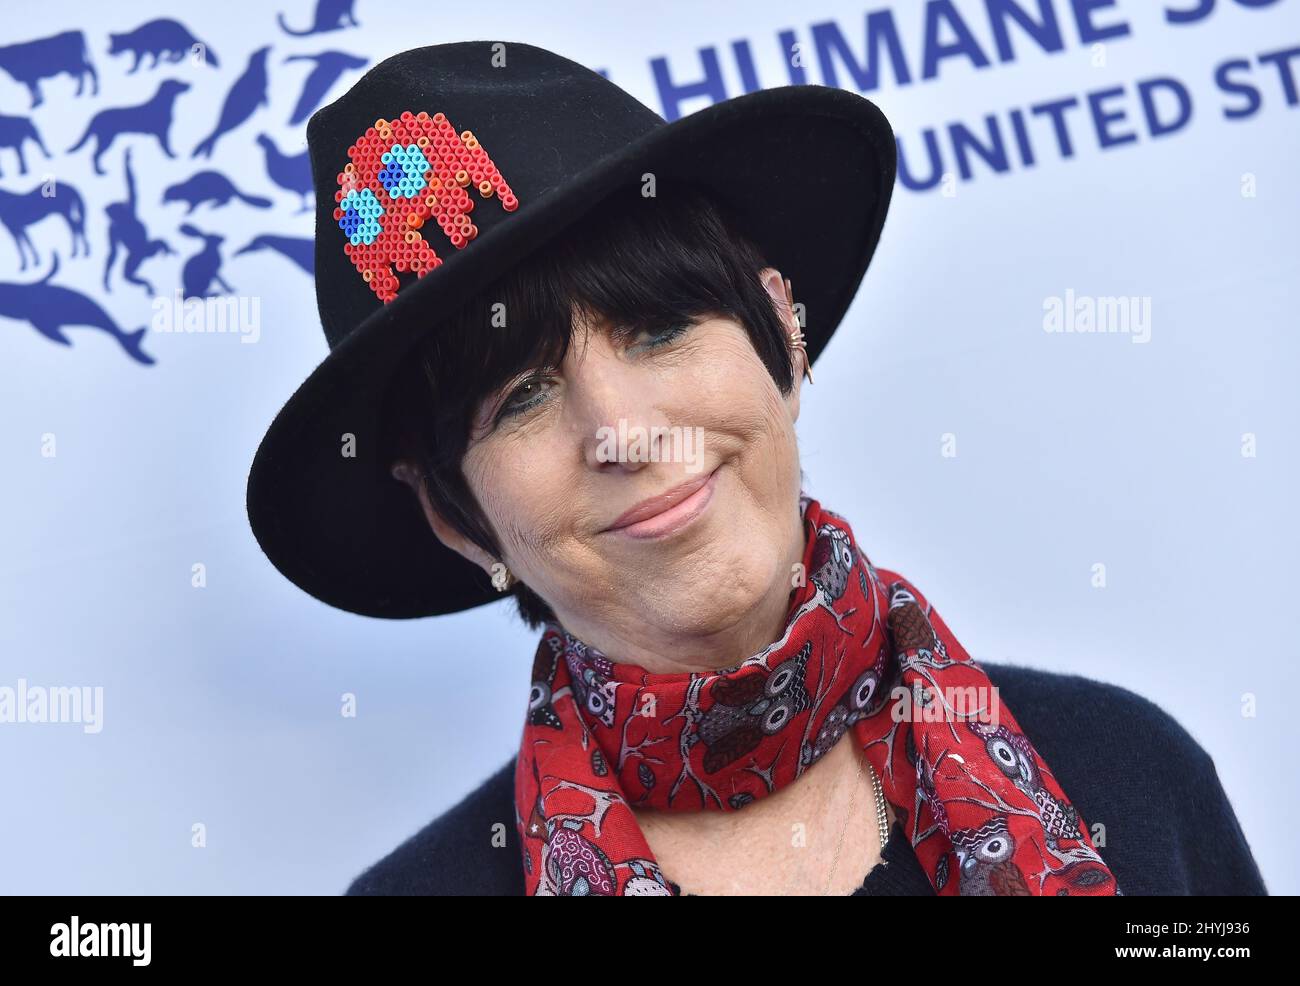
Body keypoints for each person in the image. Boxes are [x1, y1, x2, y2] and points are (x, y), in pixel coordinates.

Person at [245, 41, 1268, 896]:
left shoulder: (1125, 774)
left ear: (781, 328)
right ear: (455, 519)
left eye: (656, 328)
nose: (624, 431)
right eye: (519, 396)